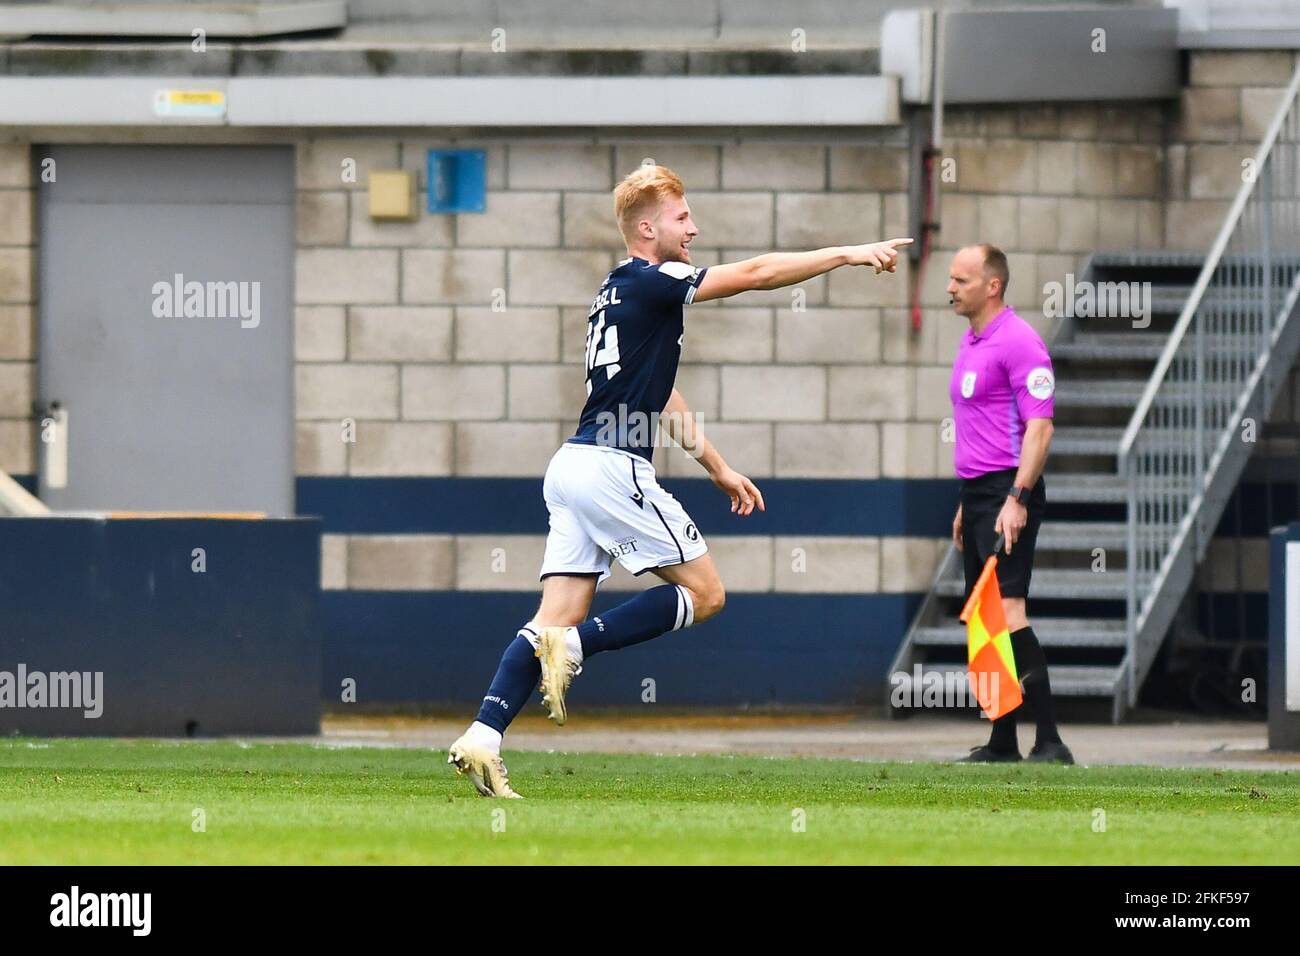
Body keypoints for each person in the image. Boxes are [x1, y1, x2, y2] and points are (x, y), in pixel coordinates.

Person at [448, 163, 912, 796]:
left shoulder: (614, 289)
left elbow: (662, 397)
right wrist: (846, 253)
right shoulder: (654, 278)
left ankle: (483, 734)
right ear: (647, 227)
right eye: (682, 217)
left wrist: (718, 468)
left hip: (573, 467)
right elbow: (754, 275)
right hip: (613, 466)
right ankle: (578, 650)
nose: (694, 228)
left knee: (553, 617)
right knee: (706, 593)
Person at [947, 244, 1074, 764]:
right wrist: (965, 502)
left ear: (992, 285)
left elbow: (1040, 427)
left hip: (1008, 492)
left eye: (960, 280)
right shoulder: (971, 340)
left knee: (1011, 610)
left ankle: (1050, 741)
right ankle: (1003, 741)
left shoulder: (1020, 342)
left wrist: (1017, 497)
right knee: (985, 618)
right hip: (977, 494)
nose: (950, 288)